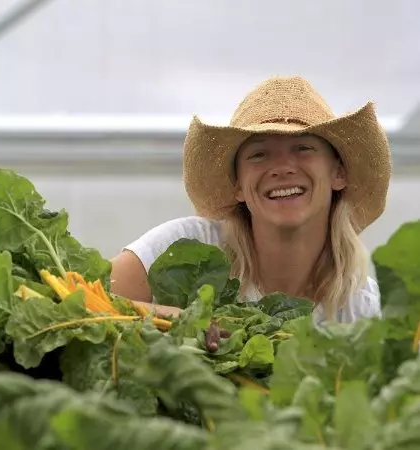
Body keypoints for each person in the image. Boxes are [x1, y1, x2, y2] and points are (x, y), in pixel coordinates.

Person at [110, 75, 392, 324]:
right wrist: (183, 321)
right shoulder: (184, 248)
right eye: (259, 154)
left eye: (303, 148)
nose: (282, 167)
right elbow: (78, 303)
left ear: (338, 174)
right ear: (238, 186)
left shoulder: (364, 312)